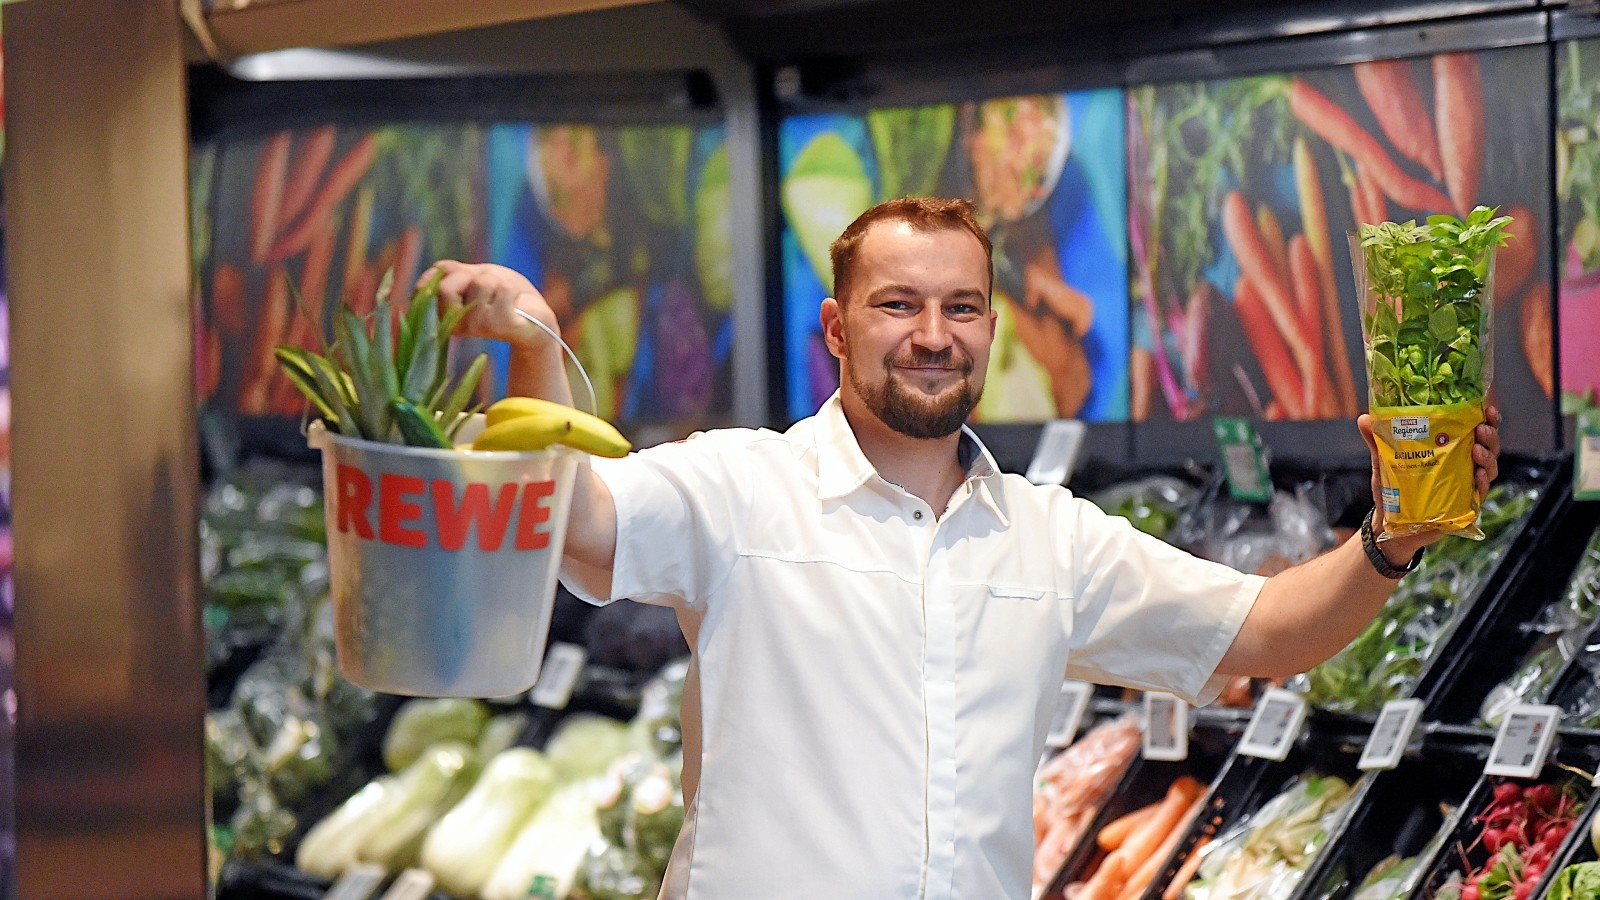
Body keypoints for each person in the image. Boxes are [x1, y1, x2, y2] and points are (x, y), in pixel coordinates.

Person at [423, 196, 1501, 900]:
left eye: (962, 307)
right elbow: (569, 511)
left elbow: (1267, 629)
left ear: (991, 330)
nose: (933, 334)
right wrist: (531, 343)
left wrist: (1389, 536)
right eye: (897, 304)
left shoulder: (1048, 537)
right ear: (838, 331)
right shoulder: (737, 487)